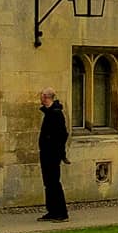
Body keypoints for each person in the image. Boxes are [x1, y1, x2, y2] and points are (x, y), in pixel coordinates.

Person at [37, 88, 69, 221]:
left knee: (54, 182)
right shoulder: (49, 113)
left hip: (52, 154)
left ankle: (61, 213)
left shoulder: (56, 114)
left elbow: (62, 135)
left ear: (45, 97)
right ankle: (52, 211)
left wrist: (58, 153)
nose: (40, 99)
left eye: (41, 96)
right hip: (47, 153)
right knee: (49, 183)